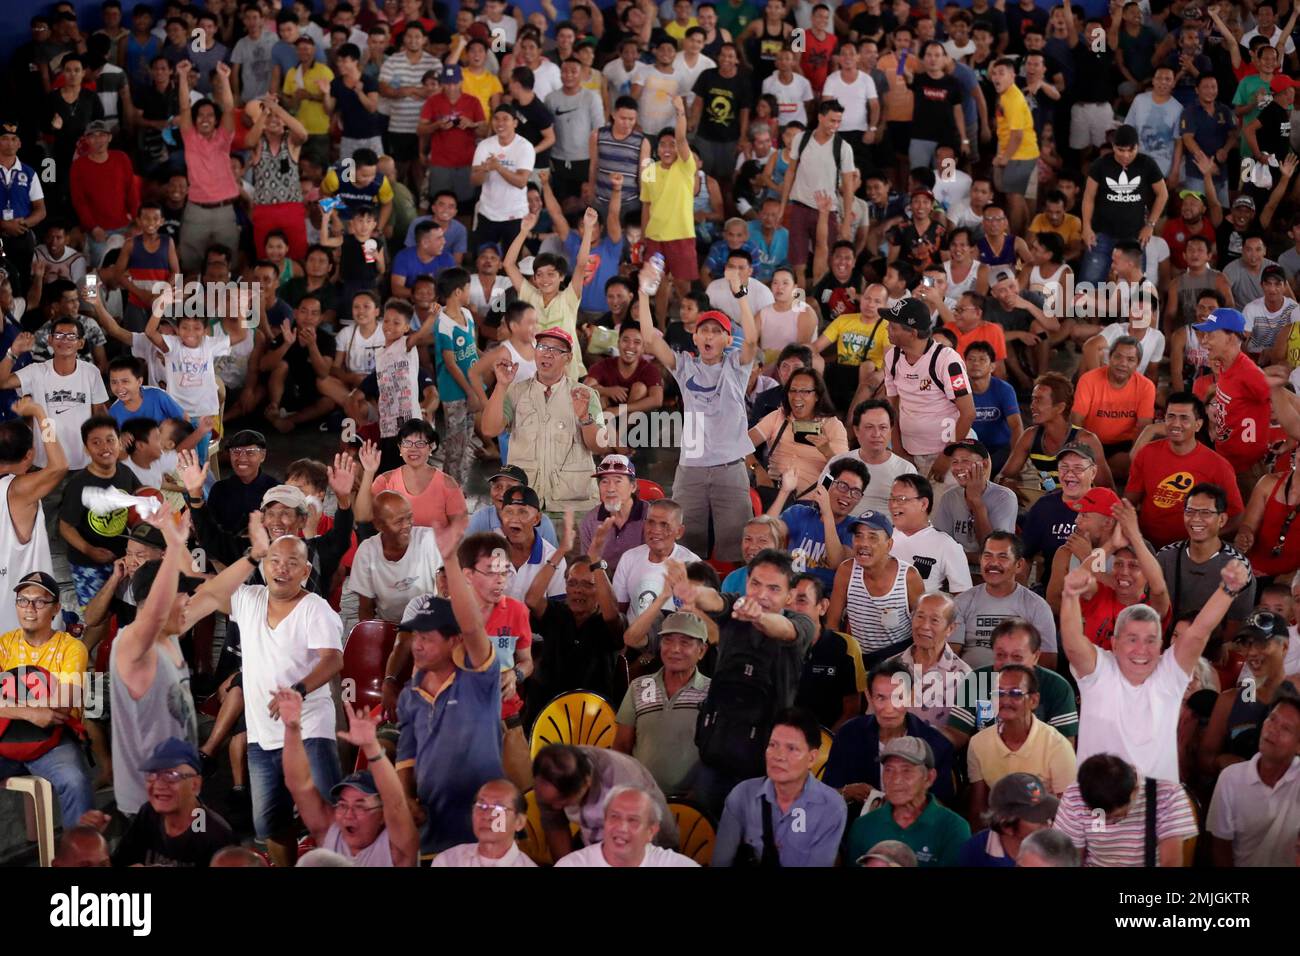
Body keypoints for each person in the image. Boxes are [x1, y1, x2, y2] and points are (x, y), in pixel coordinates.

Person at [1060, 554, 1250, 782]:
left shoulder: (1168, 673)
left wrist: (1227, 590)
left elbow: (1198, 632)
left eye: (1150, 640)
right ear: (1114, 643)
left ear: (1160, 645)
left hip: (1159, 807)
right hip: (1095, 805)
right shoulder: (1100, 670)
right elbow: (1072, 643)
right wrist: (1070, 595)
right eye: (1132, 639)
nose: (1141, 649)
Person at [637, 261, 758, 562]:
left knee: (735, 549)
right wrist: (643, 292)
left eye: (717, 332)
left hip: (730, 466)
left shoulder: (736, 367)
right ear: (695, 337)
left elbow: (753, 340)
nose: (709, 336)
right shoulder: (685, 366)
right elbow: (651, 338)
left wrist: (740, 294)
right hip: (690, 467)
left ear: (728, 340)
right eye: (704, 330)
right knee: (685, 550)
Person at [108, 507, 203, 817]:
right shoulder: (131, 642)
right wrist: (174, 546)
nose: (188, 605)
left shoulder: (170, 635)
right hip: (145, 802)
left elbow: (214, 592)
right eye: (181, 598)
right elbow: (155, 612)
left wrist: (255, 556)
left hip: (179, 791)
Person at [276, 692, 418, 867]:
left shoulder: (397, 848)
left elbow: (395, 803)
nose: (348, 814)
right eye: (342, 805)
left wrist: (371, 747)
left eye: (360, 806)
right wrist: (291, 728)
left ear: (382, 815)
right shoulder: (331, 831)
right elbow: (299, 785)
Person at [0, 571, 94, 826]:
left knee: (75, 782)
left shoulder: (72, 648)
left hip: (54, 740)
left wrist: (6, 702)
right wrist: (30, 712)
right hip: (6, 738)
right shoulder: (4, 644)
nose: (30, 608)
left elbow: (60, 706)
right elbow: (42, 710)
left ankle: (80, 857)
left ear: (55, 610)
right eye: (23, 600)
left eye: (40, 602)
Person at [712, 707, 847, 867]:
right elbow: (721, 863)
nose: (779, 756)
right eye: (773, 745)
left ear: (812, 758)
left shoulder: (831, 807)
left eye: (791, 748)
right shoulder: (742, 795)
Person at [79, 738, 235, 867]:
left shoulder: (216, 836)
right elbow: (121, 862)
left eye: (171, 775)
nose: (159, 785)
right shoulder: (149, 813)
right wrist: (92, 842)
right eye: (152, 774)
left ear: (195, 784)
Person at [823, 659, 957, 808]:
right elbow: (826, 793)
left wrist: (913, 796)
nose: (888, 708)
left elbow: (945, 809)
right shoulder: (848, 734)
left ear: (911, 696)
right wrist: (847, 792)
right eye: (881, 698)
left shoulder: (936, 744)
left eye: (898, 697)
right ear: (869, 697)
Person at [1126, 392, 1244, 549]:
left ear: (1198, 424)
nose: (1175, 424)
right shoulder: (1147, 453)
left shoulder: (1218, 465)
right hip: (1146, 546)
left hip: (1192, 552)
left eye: (1184, 418)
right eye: (1171, 417)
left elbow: (1236, 517)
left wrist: (1199, 540)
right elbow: (1129, 503)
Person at [614, 611, 711, 798]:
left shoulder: (712, 693)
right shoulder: (639, 687)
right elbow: (622, 745)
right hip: (642, 798)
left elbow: (715, 756)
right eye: (668, 640)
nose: (674, 649)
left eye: (685, 642)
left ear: (701, 650)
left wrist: (697, 795)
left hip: (693, 802)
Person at [882, 298, 976, 488]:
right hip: (909, 453)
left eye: (893, 326)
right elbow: (891, 406)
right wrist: (898, 448)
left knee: (942, 514)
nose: (886, 329)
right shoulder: (892, 357)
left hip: (946, 454)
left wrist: (947, 456)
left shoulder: (947, 360)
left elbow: (968, 413)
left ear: (913, 333)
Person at [534, 744, 679, 862]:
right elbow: (554, 825)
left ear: (586, 783)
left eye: (562, 801)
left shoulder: (622, 784)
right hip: (595, 838)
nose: (555, 807)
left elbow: (639, 849)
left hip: (647, 843)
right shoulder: (551, 774)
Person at [967, 665, 1077, 820]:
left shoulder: (1057, 746)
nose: (1005, 701)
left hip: (1043, 832)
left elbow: (1067, 812)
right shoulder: (978, 743)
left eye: (1015, 693)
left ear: (1033, 700)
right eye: (999, 693)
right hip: (1000, 828)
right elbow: (979, 810)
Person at [1052, 753, 1198, 866]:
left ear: (1134, 790)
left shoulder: (1168, 793)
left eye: (1119, 816)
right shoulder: (1074, 796)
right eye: (1105, 817)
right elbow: (1071, 859)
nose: (1113, 822)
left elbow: (1171, 861)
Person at [845, 736, 971, 867]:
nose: (896, 779)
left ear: (929, 778)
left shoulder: (953, 828)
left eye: (906, 770)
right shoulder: (863, 826)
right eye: (889, 770)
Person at [1207, 694, 1300, 867]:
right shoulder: (1230, 778)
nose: (1272, 730)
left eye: (1286, 728)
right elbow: (1221, 850)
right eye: (1272, 719)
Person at [1, 323, 107, 473]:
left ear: (81, 343)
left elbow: (100, 413)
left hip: (84, 463)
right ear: (50, 340)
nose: (64, 340)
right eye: (58, 335)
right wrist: (13, 352)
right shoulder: (36, 371)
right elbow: (2, 382)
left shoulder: (91, 372)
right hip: (45, 465)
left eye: (71, 336)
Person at [1156, 483, 1256, 636]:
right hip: (1168, 645)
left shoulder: (1238, 566)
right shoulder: (1165, 557)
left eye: (1205, 513)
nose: (1196, 519)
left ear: (1222, 519)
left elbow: (1236, 624)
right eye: (1190, 511)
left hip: (1214, 649)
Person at [0, 402, 64, 636]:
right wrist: (39, 413)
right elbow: (60, 465)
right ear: (30, 454)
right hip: (21, 618)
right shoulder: (18, 489)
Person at [1079, 124, 1169, 287]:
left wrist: (1150, 224)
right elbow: (1088, 196)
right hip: (1102, 234)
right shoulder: (1100, 165)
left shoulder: (1147, 164)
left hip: (1134, 236)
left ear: (1138, 146)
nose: (1126, 155)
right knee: (1089, 285)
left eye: (1131, 150)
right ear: (1113, 146)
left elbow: (1162, 194)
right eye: (1121, 150)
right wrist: (1086, 226)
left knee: (1135, 289)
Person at [828, 510, 924, 658]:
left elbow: (922, 628)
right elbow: (832, 624)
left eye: (872, 537)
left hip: (899, 659)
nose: (863, 543)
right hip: (860, 658)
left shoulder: (908, 576)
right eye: (858, 536)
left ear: (889, 545)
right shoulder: (846, 571)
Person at [350, 490, 443, 624]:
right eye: (399, 522)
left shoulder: (430, 540)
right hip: (390, 626)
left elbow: (445, 593)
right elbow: (365, 608)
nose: (407, 525)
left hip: (430, 623)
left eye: (409, 517)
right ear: (379, 525)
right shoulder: (367, 552)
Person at [553, 786, 698, 868]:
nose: (622, 827)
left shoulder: (674, 864)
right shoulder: (572, 864)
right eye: (614, 817)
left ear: (651, 831)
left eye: (633, 820)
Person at [822, 400, 918, 516]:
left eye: (883, 427)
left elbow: (911, 515)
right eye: (869, 427)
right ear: (856, 430)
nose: (876, 434)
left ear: (891, 430)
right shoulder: (837, 462)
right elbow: (820, 499)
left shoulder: (906, 470)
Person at [931, 439, 1018, 561]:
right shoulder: (949, 497)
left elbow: (994, 553)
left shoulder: (1004, 497)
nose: (958, 467)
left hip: (990, 573)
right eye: (955, 462)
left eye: (965, 461)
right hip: (956, 569)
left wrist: (976, 501)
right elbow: (941, 546)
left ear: (985, 464)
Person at [887, 475, 972, 595]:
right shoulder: (881, 538)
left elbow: (963, 597)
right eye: (892, 498)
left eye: (901, 499)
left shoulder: (946, 545)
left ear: (923, 504)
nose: (894, 505)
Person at [957, 772, 1060, 867]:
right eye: (1038, 818)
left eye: (1048, 815)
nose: (1048, 824)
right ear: (1006, 826)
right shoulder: (974, 853)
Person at [432, 779, 537, 868]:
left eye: (498, 808)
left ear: (519, 822)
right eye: (481, 806)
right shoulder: (447, 861)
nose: (486, 816)